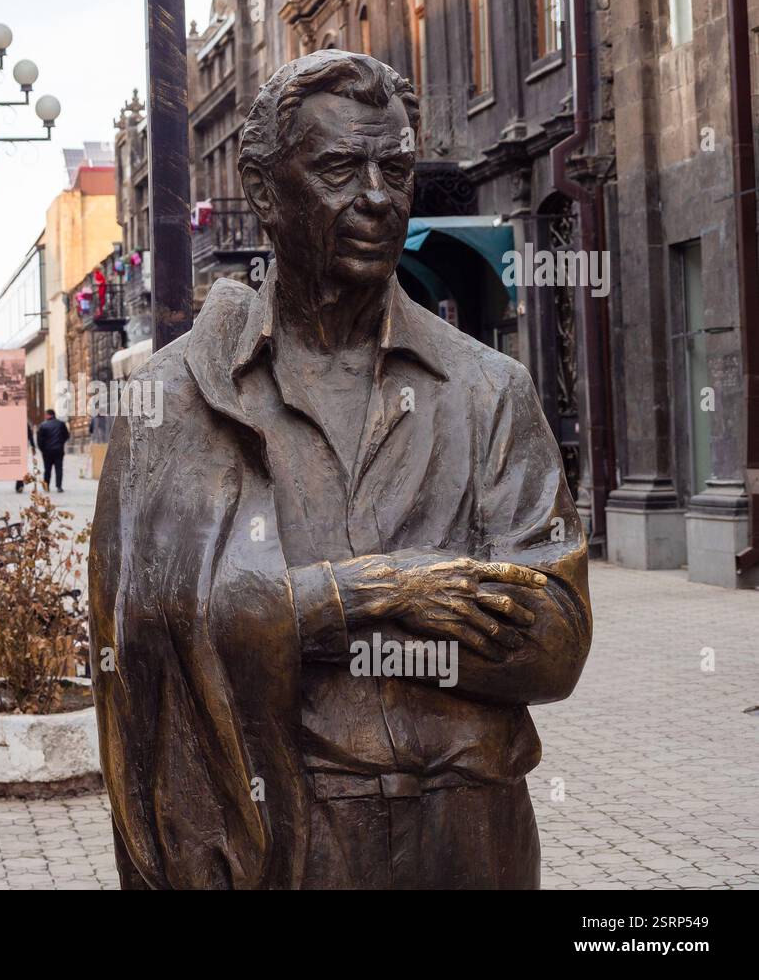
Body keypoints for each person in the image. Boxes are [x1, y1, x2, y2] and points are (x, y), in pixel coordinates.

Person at [90, 50, 591, 890]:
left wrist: (287, 621)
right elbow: (141, 633)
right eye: (336, 168)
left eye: (393, 169)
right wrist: (376, 590)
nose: (374, 197)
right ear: (265, 191)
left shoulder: (487, 389)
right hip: (283, 840)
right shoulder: (175, 398)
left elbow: (556, 641)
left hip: (469, 834)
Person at [35, 409, 70, 492]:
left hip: (47, 452)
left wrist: (42, 449)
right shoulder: (61, 424)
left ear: (48, 415)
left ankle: (46, 486)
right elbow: (66, 435)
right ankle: (59, 487)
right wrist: (61, 443)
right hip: (58, 450)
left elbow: (39, 440)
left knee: (47, 469)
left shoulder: (43, 425)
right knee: (59, 468)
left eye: (45, 414)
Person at [17, 421, 35, 493]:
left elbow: (30, 435)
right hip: (21, 447)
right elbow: (30, 435)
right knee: (20, 466)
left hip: (18, 447)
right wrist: (33, 446)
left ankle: (19, 484)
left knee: (19, 466)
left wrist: (33, 447)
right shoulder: (24, 422)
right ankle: (20, 484)